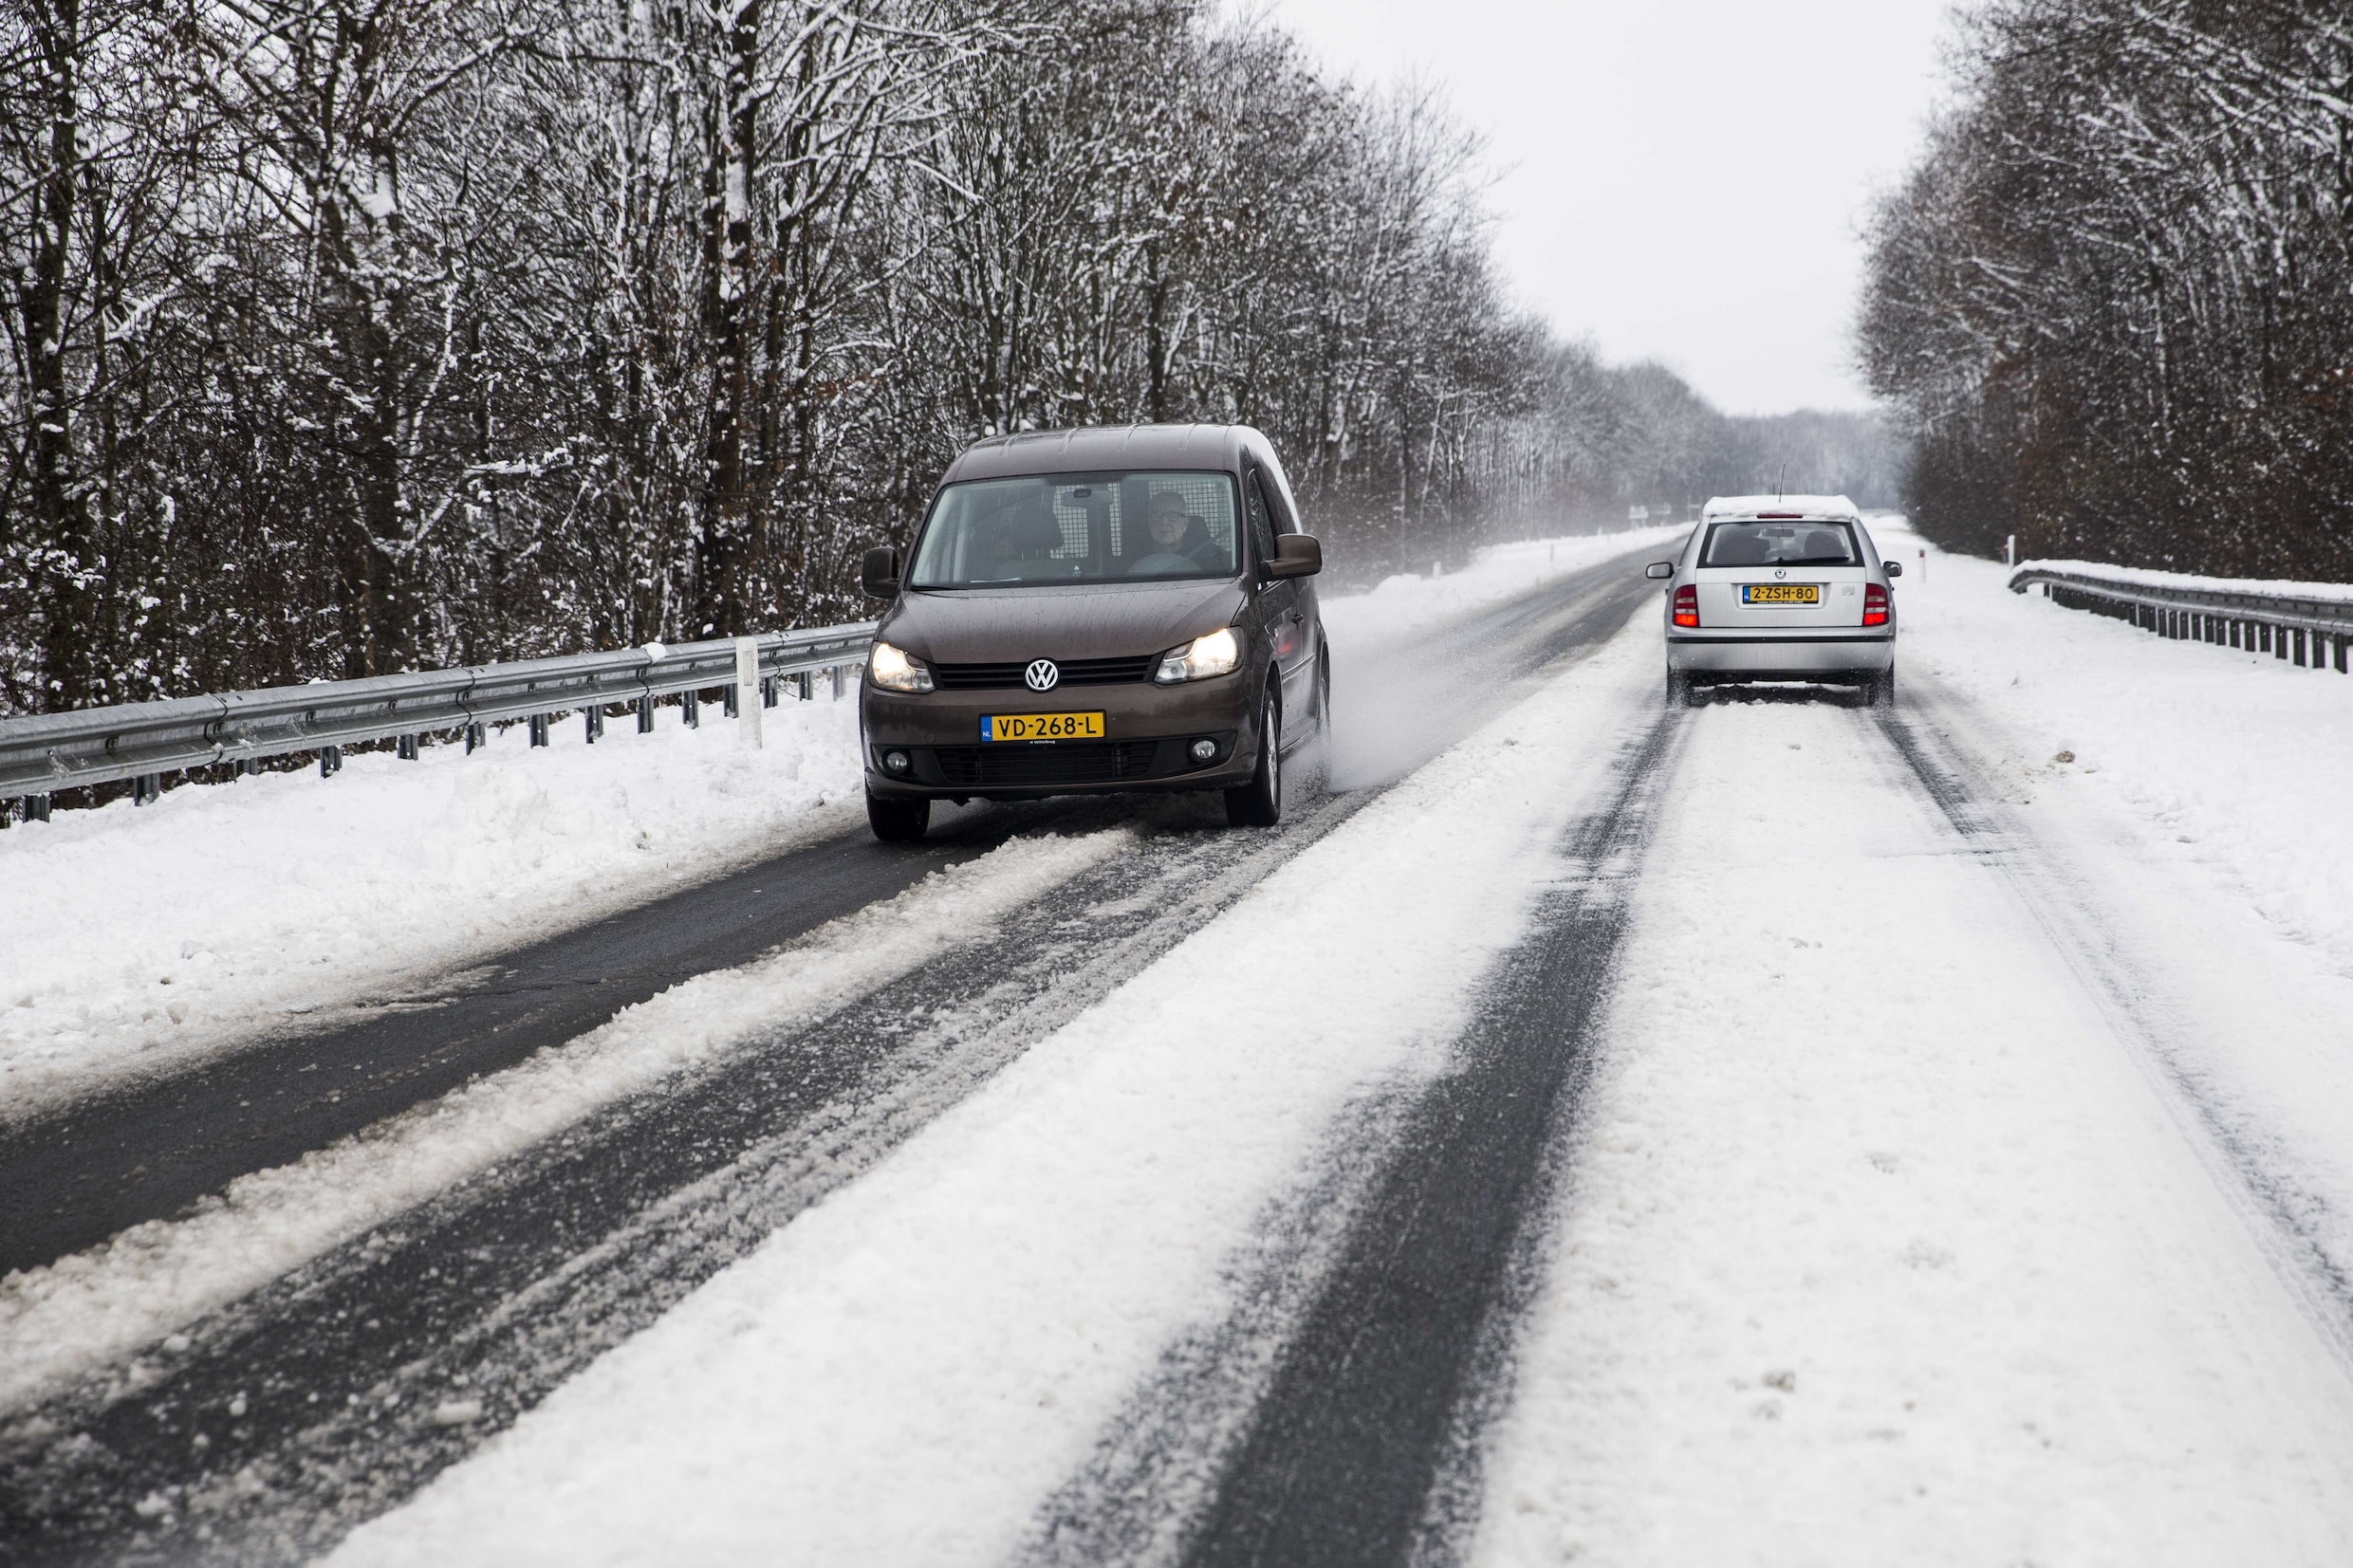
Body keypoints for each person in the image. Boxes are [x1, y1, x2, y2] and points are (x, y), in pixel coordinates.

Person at [1126, 489, 1214, 575]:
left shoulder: (1210, 558)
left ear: (1185, 524)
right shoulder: (1132, 559)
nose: (1163, 522)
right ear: (1149, 523)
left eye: (1172, 515)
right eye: (1156, 515)